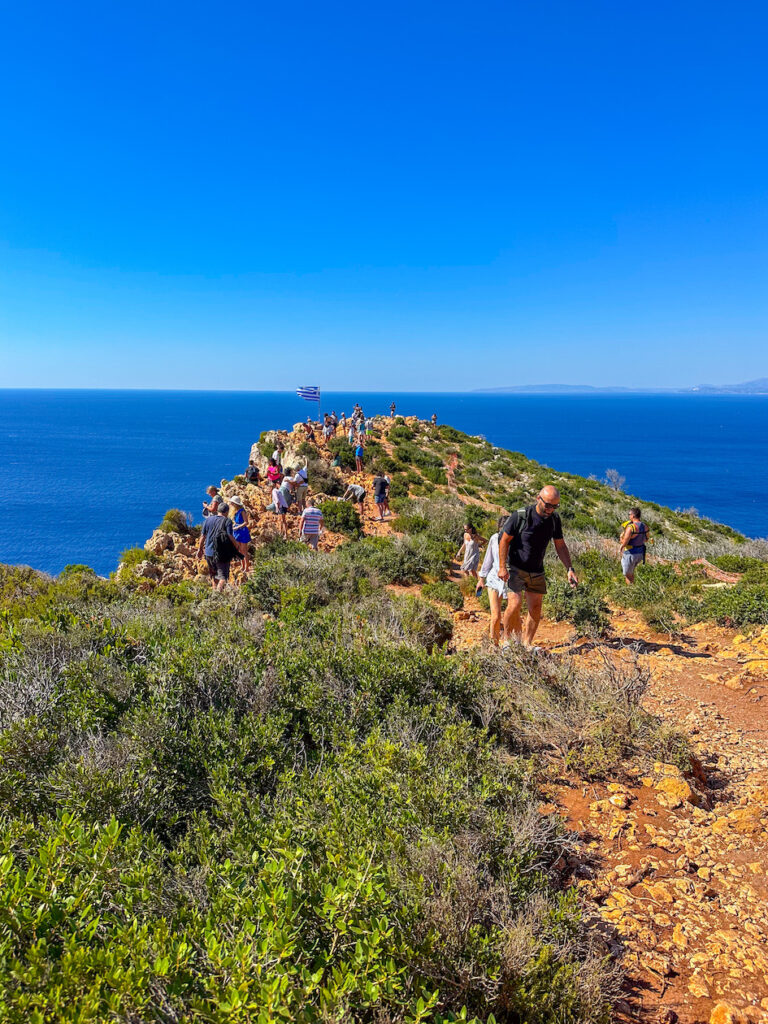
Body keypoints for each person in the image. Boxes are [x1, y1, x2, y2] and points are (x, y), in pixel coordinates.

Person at [498, 486, 578, 649]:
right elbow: (504, 540)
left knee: (535, 608)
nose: (550, 509)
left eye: (555, 506)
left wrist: (569, 568)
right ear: (538, 498)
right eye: (547, 505)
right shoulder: (521, 516)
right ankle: (507, 642)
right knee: (515, 604)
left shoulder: (554, 520)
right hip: (515, 567)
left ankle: (527, 644)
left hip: (536, 569)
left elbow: (560, 545)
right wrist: (502, 567)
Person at [477, 516, 509, 645]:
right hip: (494, 579)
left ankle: (510, 644)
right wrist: (481, 579)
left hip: (510, 582)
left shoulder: (517, 540)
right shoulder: (494, 538)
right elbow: (488, 559)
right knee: (496, 615)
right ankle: (494, 645)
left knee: (511, 615)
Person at [197, 501, 237, 590]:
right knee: (223, 577)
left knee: (214, 576)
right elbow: (230, 536)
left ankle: (214, 593)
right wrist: (236, 546)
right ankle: (218, 594)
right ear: (227, 512)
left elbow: (203, 536)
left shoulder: (208, 520)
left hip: (208, 553)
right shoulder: (227, 521)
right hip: (222, 554)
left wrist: (199, 549)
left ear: (218, 510)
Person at [619, 507, 650, 584]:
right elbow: (646, 539)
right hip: (640, 553)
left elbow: (625, 542)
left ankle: (629, 590)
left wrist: (621, 538)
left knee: (628, 575)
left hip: (630, 554)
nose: (629, 516)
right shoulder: (645, 526)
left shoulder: (631, 527)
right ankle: (633, 587)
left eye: (629, 514)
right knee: (631, 572)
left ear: (633, 515)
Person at [229, 496, 252, 575]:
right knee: (239, 550)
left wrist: (237, 527)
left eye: (232, 503)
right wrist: (234, 526)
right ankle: (243, 565)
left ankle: (247, 567)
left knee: (244, 550)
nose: (231, 504)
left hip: (242, 532)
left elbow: (246, 522)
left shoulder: (242, 511)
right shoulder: (236, 511)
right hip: (237, 532)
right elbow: (237, 522)